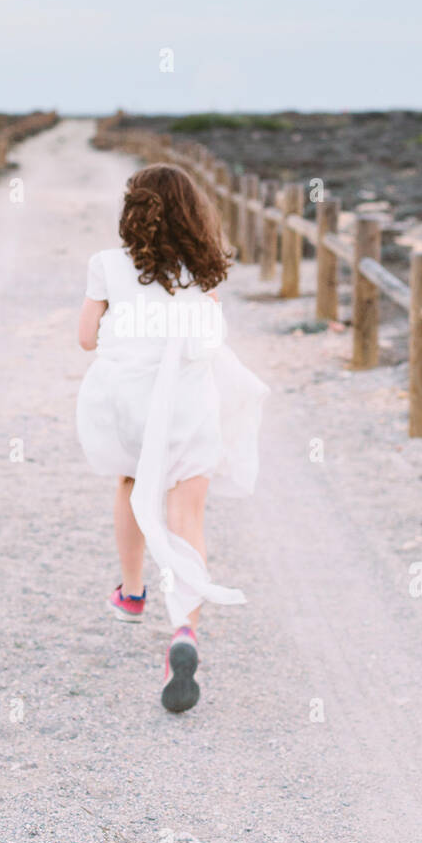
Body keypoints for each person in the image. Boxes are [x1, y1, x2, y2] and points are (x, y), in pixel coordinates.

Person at [76, 163, 268, 712]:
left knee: (132, 481)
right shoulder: (200, 271)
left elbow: (87, 338)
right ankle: (183, 629)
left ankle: (133, 592)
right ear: (192, 213)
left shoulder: (106, 265)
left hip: (127, 402)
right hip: (186, 405)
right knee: (188, 513)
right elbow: (207, 341)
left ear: (133, 211)